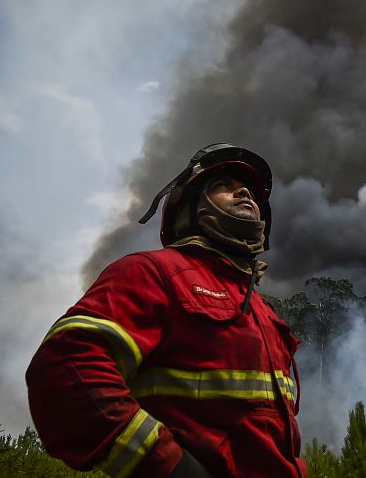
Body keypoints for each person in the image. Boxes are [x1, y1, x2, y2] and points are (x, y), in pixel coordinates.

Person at [26, 143, 306, 477]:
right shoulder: (153, 272)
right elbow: (66, 369)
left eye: (249, 191)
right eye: (223, 186)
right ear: (191, 207)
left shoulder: (264, 312)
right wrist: (169, 468)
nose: (244, 191)